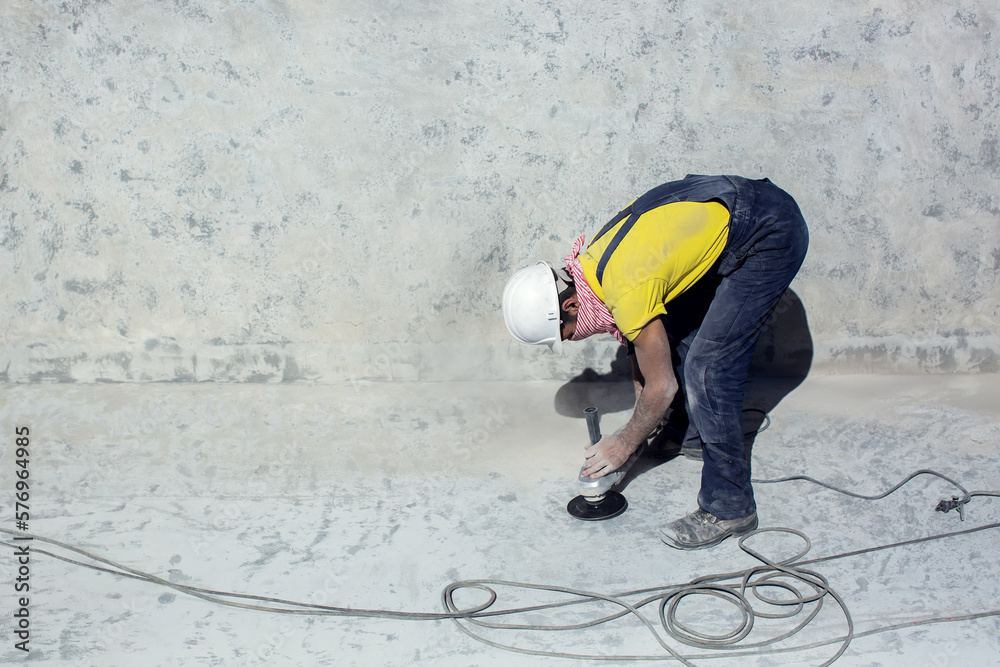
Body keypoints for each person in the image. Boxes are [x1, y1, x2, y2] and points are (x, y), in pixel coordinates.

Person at [502, 174, 808, 550]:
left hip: (768, 233)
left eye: (565, 334)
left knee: (709, 367)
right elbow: (642, 346)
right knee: (675, 328)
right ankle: (689, 436)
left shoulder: (626, 289)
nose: (573, 339)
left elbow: (661, 384)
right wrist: (641, 427)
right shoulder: (594, 269)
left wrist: (625, 442)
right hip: (734, 219)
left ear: (570, 306)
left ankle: (730, 505)